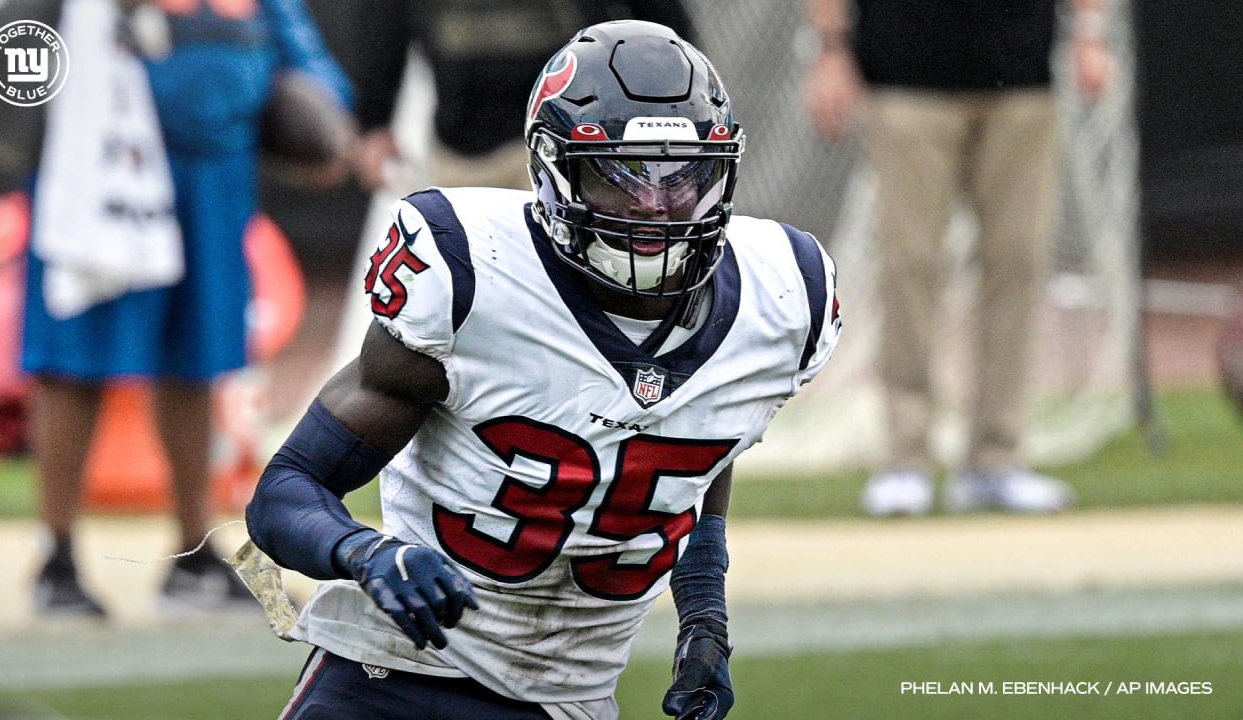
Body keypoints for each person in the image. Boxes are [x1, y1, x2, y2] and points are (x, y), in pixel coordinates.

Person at [244, 20, 841, 720]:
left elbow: (701, 445)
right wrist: (367, 555)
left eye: (684, 176)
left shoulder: (783, 296)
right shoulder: (472, 272)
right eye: (619, 177)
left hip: (569, 700)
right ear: (554, 172)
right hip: (392, 674)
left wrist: (704, 617)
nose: (655, 208)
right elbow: (284, 492)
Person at [25, 0, 351, 618]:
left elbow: (308, 62)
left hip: (214, 179)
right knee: (72, 356)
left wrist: (326, 121)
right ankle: (56, 553)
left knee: (199, 358)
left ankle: (191, 553)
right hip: (100, 168)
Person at [805, 0, 1112, 516]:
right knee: (910, 267)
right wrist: (830, 49)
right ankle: (906, 457)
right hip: (904, 76)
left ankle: (998, 458)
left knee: (1017, 264)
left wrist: (1090, 32)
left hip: (1021, 77)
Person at [351, 0, 698, 192]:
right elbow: (385, 19)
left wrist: (680, 96)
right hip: (466, 142)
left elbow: (660, 20)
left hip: (573, 139)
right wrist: (373, 122)